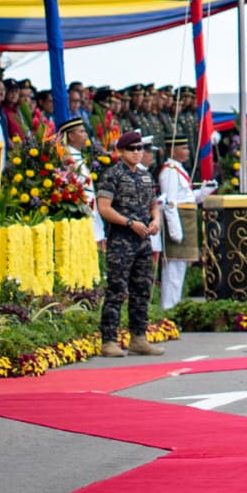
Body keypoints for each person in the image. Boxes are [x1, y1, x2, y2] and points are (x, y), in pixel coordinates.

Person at [94, 132, 164, 355]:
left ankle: (138, 338)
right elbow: (104, 208)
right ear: (121, 151)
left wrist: (156, 221)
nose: (136, 153)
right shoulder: (112, 175)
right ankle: (109, 340)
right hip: (121, 240)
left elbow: (153, 204)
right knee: (116, 290)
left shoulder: (145, 176)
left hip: (143, 240)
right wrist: (129, 223)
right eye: (131, 149)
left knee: (142, 289)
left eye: (139, 149)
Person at [156, 139, 212, 309]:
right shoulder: (170, 171)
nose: (187, 151)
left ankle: (174, 306)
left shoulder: (179, 169)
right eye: (183, 148)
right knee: (173, 270)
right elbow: (170, 202)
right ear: (173, 150)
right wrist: (175, 231)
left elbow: (186, 197)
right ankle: (169, 308)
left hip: (185, 221)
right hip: (178, 223)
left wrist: (203, 193)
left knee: (180, 269)